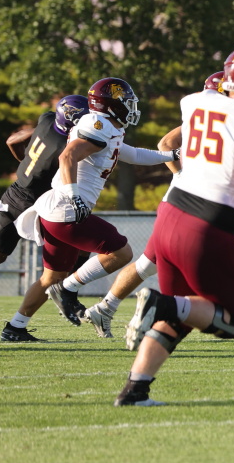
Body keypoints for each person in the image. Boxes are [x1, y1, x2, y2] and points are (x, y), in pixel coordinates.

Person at [115, 43, 234, 406]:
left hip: (169, 218)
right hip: (206, 226)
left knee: (185, 310)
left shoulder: (196, 101)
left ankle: (136, 389)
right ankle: (161, 305)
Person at [81, 71, 234, 338]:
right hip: (204, 205)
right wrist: (180, 173)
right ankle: (128, 308)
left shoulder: (226, 119)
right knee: (157, 265)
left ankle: (121, 312)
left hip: (205, 205)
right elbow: (167, 143)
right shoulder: (222, 120)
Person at [10, 79, 177, 336]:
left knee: (50, 277)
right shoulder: (97, 125)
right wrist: (74, 195)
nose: (130, 108)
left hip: (57, 209)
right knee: (120, 252)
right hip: (65, 209)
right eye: (125, 102)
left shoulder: (108, 127)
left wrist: (172, 156)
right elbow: (67, 156)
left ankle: (15, 327)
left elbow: (132, 155)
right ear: (110, 105)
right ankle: (67, 289)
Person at [0, 95, 90, 341]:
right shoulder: (66, 146)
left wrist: (26, 161)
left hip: (18, 191)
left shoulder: (47, 119)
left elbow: (11, 140)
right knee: (77, 245)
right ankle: (66, 293)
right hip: (31, 203)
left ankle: (67, 293)